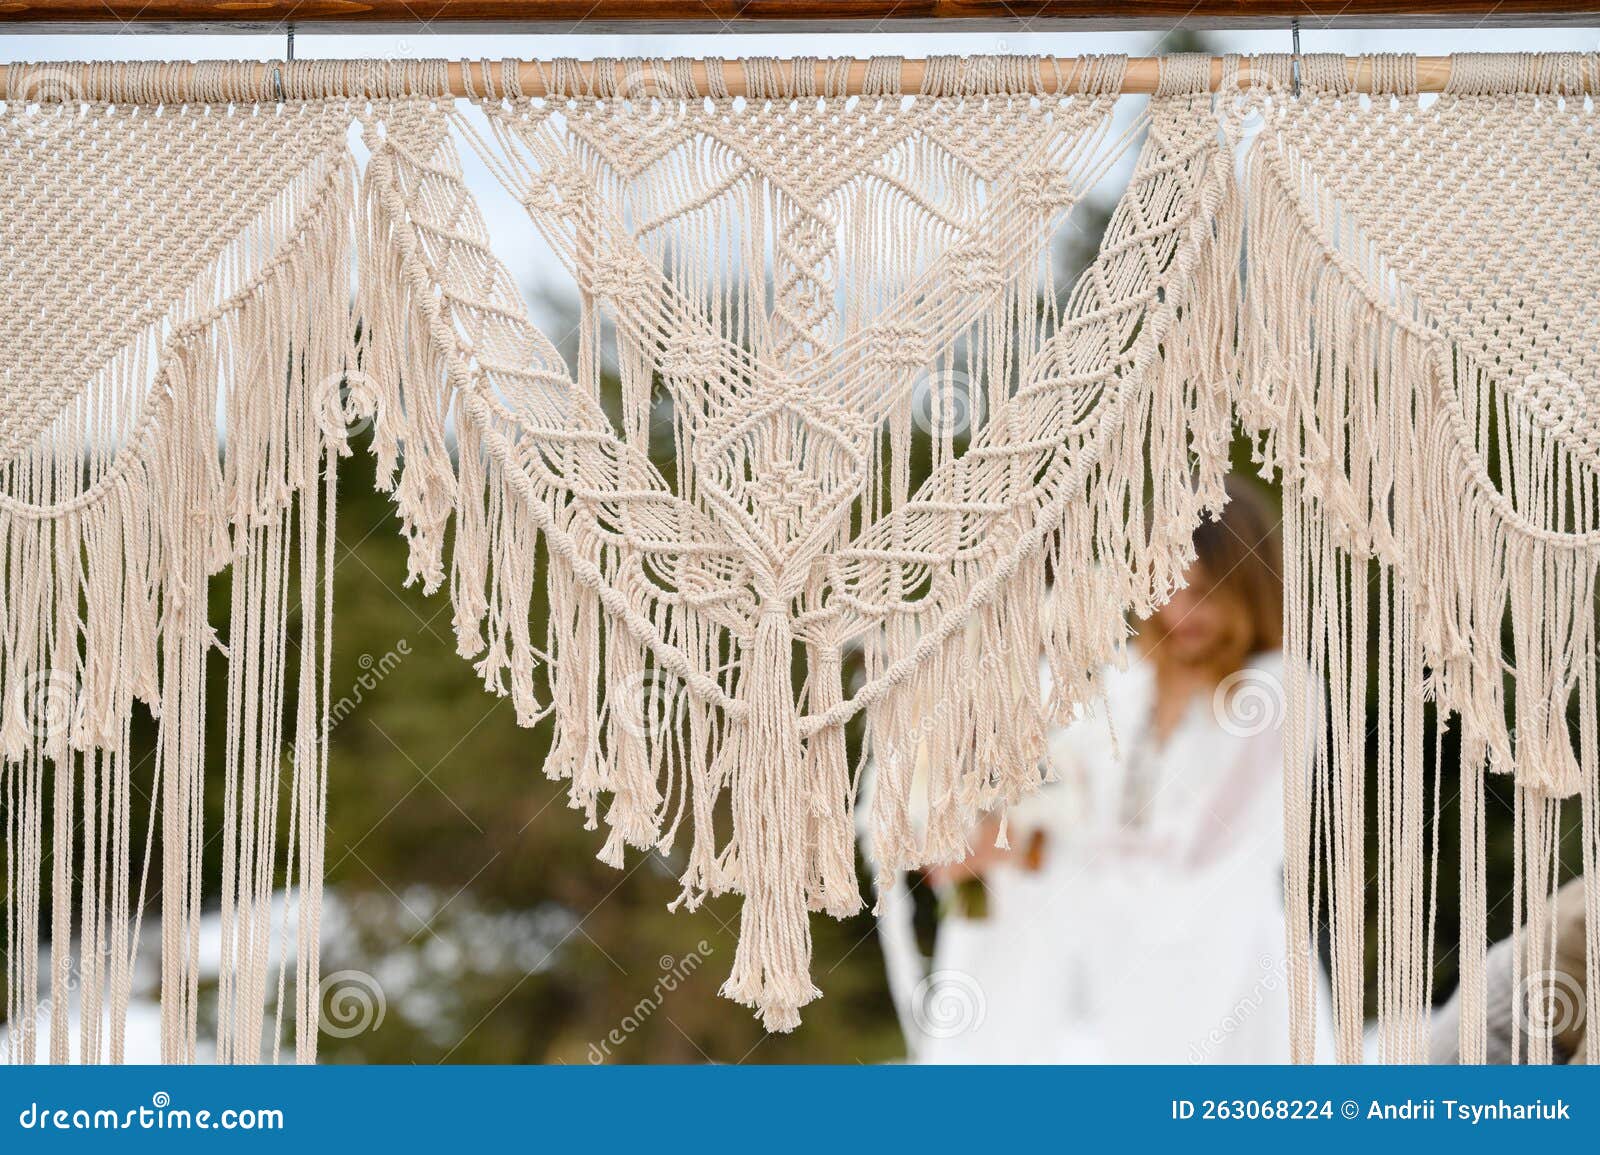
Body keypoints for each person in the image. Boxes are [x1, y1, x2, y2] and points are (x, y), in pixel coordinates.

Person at [873, 477, 1335, 1062]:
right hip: (1129, 950)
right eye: (1171, 588)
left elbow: (1201, 845)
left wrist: (1042, 843)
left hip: (1223, 945)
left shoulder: (1277, 688)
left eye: (1208, 593)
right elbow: (1068, 791)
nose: (1183, 611)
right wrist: (992, 831)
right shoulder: (1127, 683)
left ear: (1249, 589)